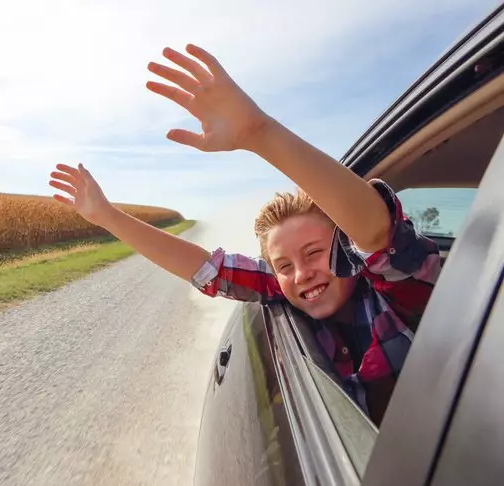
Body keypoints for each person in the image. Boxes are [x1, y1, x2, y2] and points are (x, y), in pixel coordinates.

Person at [47, 44, 441, 425]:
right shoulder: (281, 288)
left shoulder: (400, 294)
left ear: (344, 247)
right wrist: (108, 217)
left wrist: (259, 133)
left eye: (314, 253)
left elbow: (377, 235)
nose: (300, 274)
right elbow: (207, 270)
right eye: (283, 265)